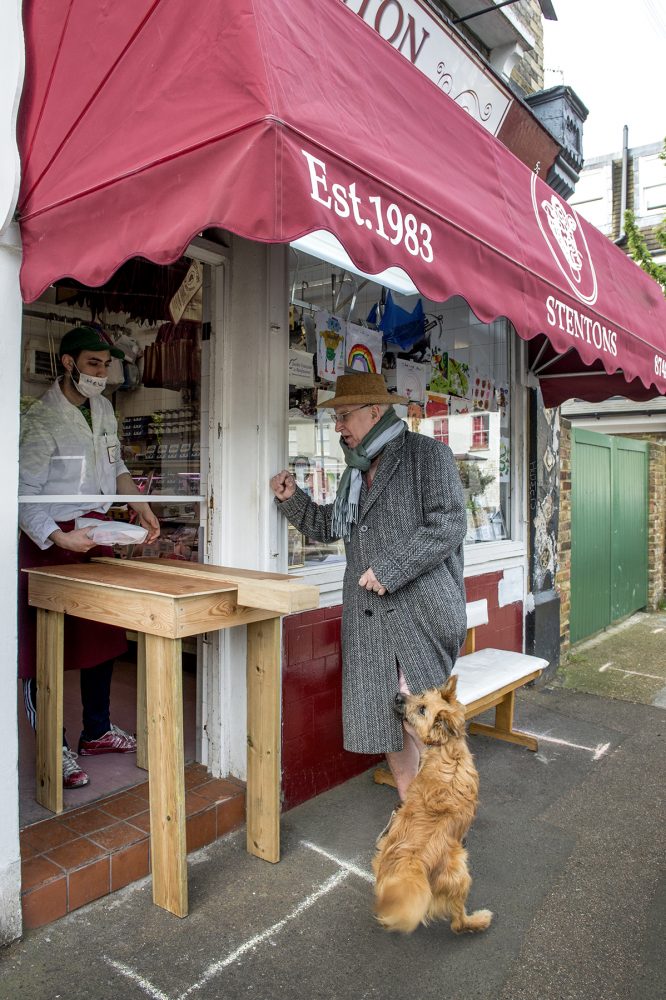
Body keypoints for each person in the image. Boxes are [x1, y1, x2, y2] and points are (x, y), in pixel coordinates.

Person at [270, 372, 467, 802]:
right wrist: (292, 498)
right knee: (387, 722)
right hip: (368, 618)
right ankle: (411, 810)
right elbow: (331, 526)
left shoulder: (427, 454)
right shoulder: (355, 471)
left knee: (422, 721)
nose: (338, 426)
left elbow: (450, 523)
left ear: (374, 411)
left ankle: (448, 815)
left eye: (344, 416)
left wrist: (390, 569)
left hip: (419, 612)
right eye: (336, 418)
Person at [19, 326, 161, 789]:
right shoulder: (40, 419)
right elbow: (23, 495)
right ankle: (53, 746)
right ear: (68, 363)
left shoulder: (103, 409)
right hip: (50, 541)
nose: (102, 373)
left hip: (95, 532)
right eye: (93, 364)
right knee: (45, 647)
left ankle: (96, 731)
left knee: (101, 635)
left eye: (106, 364)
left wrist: (140, 504)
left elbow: (116, 465)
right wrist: (58, 539)